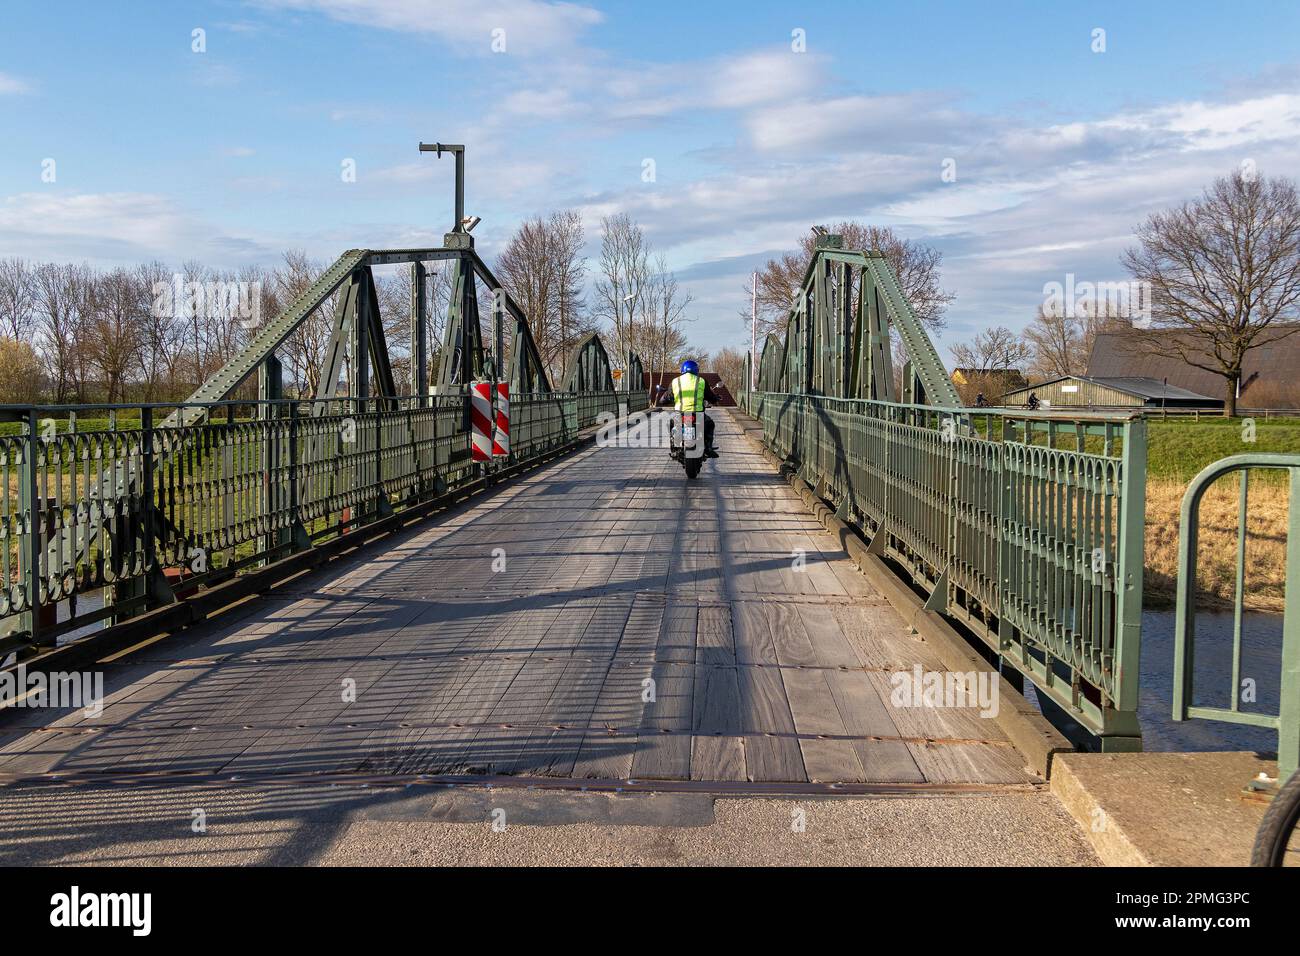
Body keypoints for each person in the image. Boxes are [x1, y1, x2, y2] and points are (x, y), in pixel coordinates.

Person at [656, 360, 720, 458]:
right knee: (710, 424)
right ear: (696, 370)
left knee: (671, 424)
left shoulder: (675, 381)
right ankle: (708, 448)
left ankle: (674, 448)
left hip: (680, 414)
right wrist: (715, 399)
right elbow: (710, 396)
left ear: (682, 370)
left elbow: (665, 398)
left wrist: (664, 400)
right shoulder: (701, 381)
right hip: (697, 413)